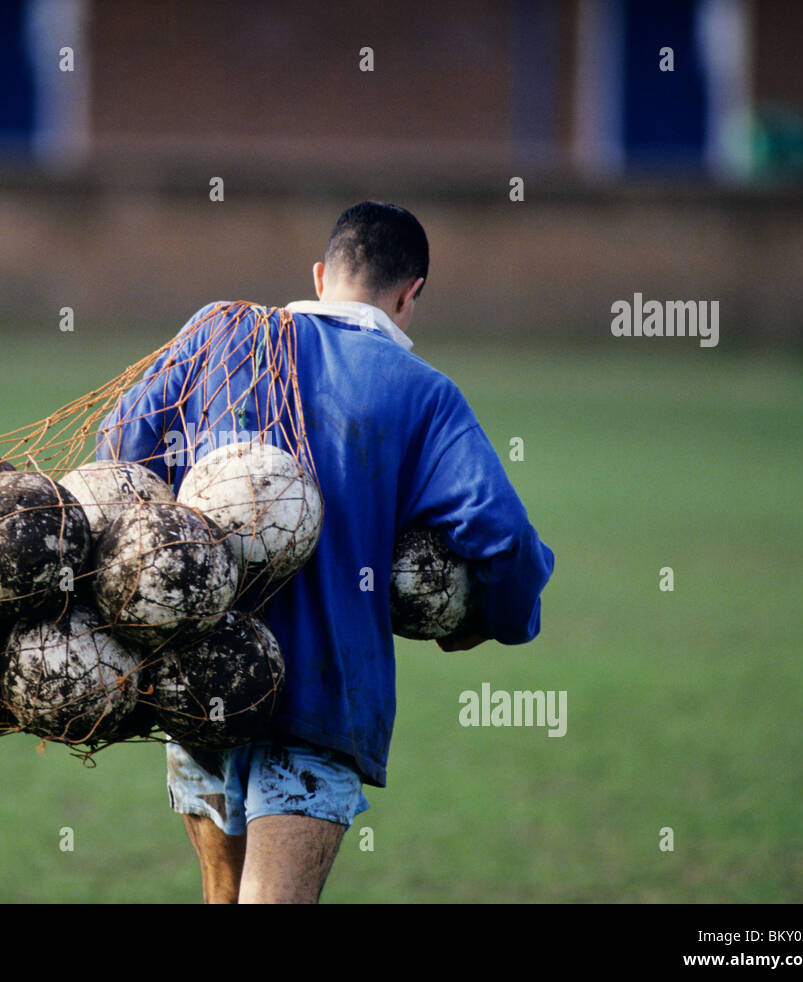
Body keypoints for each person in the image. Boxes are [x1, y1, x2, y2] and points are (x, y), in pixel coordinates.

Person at [97, 201, 554, 903]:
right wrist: (495, 618)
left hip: (201, 682)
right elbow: (503, 536)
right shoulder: (424, 393)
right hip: (321, 698)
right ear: (411, 295)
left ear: (320, 273)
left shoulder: (221, 335)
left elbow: (121, 447)